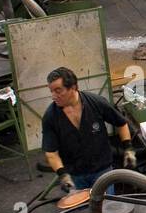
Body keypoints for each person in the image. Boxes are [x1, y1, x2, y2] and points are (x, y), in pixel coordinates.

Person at [41, 66, 137, 195]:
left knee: (107, 205)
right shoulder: (50, 117)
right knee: (82, 207)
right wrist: (62, 174)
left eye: (58, 91)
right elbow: (51, 153)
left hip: (102, 171)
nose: (53, 96)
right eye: (51, 91)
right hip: (75, 176)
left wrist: (128, 148)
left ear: (73, 87)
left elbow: (121, 123)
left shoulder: (96, 102)